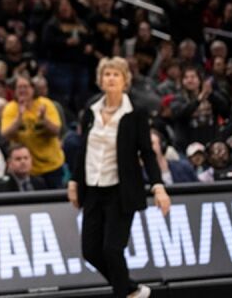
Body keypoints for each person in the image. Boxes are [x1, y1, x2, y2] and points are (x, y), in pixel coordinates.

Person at [68, 57, 170, 298]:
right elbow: (83, 149)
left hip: (120, 191)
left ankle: (124, 293)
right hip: (93, 188)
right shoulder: (91, 111)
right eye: (107, 74)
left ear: (125, 80)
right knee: (91, 251)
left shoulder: (135, 113)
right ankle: (132, 289)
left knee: (112, 250)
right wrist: (74, 181)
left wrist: (158, 186)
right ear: (100, 80)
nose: (111, 78)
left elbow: (146, 151)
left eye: (116, 74)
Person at [0, 72, 66, 189]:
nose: (23, 90)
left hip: (51, 165)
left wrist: (44, 119)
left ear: (33, 89)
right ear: (14, 90)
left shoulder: (46, 104)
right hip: (28, 169)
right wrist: (19, 118)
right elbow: (5, 134)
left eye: (26, 87)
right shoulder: (10, 108)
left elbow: (56, 131)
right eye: (19, 87)